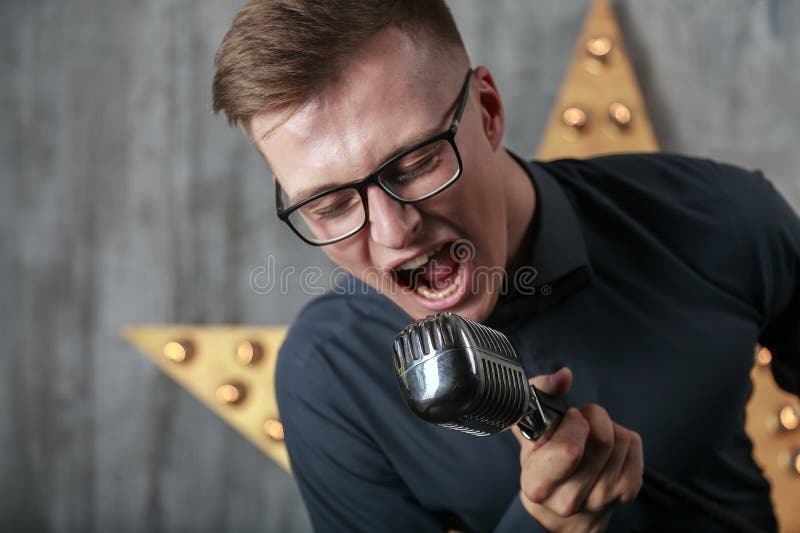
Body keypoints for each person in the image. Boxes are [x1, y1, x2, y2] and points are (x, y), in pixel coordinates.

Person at [211, 1, 799, 531]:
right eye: (330, 204)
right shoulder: (326, 374)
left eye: (415, 162)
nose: (394, 233)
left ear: (488, 111)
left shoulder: (722, 218)